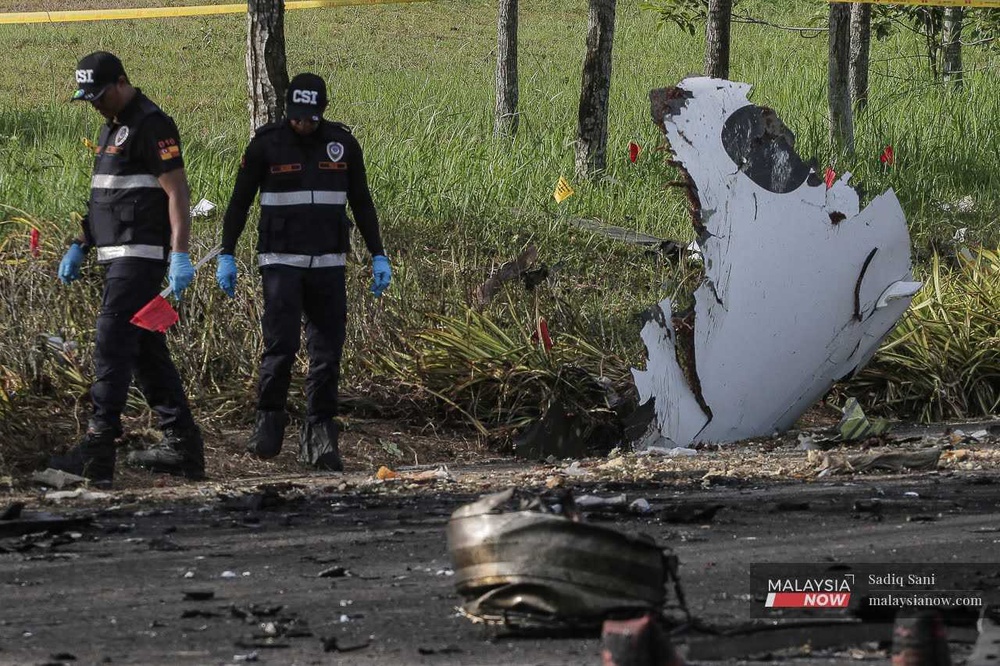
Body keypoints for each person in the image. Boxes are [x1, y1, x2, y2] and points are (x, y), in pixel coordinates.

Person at [216, 73, 391, 472]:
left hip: (329, 262)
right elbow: (239, 203)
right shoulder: (266, 145)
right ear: (287, 111)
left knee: (327, 353)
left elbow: (362, 202)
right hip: (280, 262)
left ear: (323, 111)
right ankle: (268, 423)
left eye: (311, 118)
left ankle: (319, 435)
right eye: (297, 117)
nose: (304, 124)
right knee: (281, 348)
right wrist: (227, 252)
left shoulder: (343, 144)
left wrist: (378, 253)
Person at [52, 51, 205, 486]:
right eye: (89, 98)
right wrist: (81, 243)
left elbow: (177, 193)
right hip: (114, 253)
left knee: (111, 341)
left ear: (122, 82)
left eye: (100, 95)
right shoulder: (111, 128)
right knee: (143, 351)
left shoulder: (151, 124)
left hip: (140, 256)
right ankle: (183, 448)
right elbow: (106, 196)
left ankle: (98, 452)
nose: (96, 104)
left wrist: (180, 254)